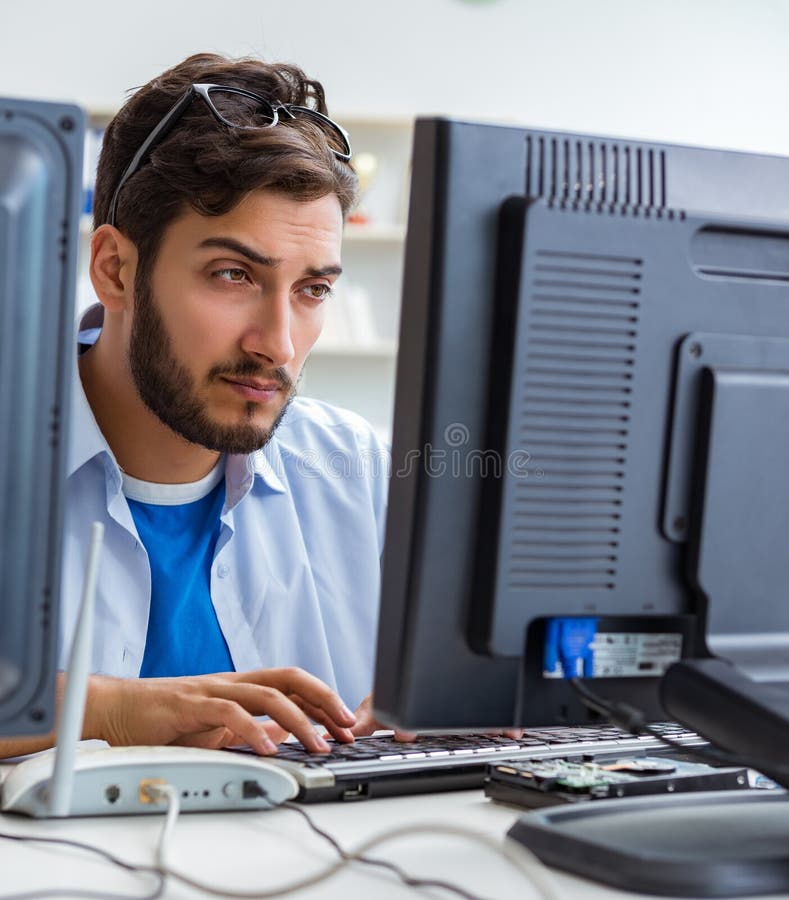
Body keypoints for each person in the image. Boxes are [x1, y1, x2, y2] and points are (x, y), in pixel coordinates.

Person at [0, 52, 393, 760]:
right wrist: (112, 710)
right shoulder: (9, 446)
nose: (277, 344)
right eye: (233, 274)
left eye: (313, 290)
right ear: (116, 270)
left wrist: (478, 712)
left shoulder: (356, 466)